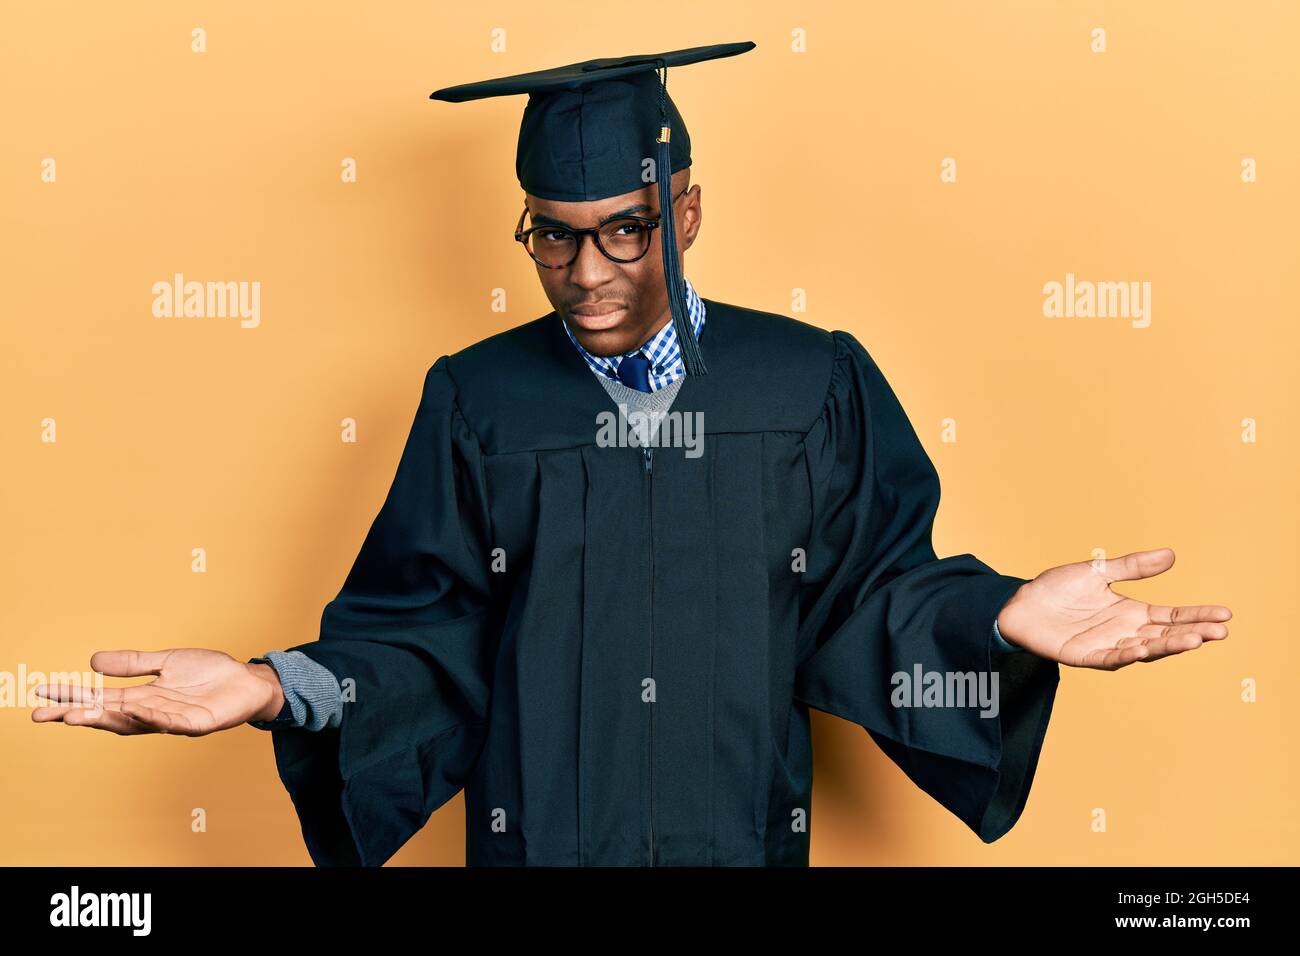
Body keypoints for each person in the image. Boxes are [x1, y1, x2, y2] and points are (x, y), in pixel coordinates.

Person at [32, 42, 1232, 867]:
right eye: (552, 237)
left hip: (739, 842)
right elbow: (426, 635)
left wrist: (1000, 621)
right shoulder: (480, 398)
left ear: (686, 212)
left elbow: (867, 598)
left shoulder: (807, 381)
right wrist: (274, 686)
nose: (587, 271)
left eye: (624, 229)